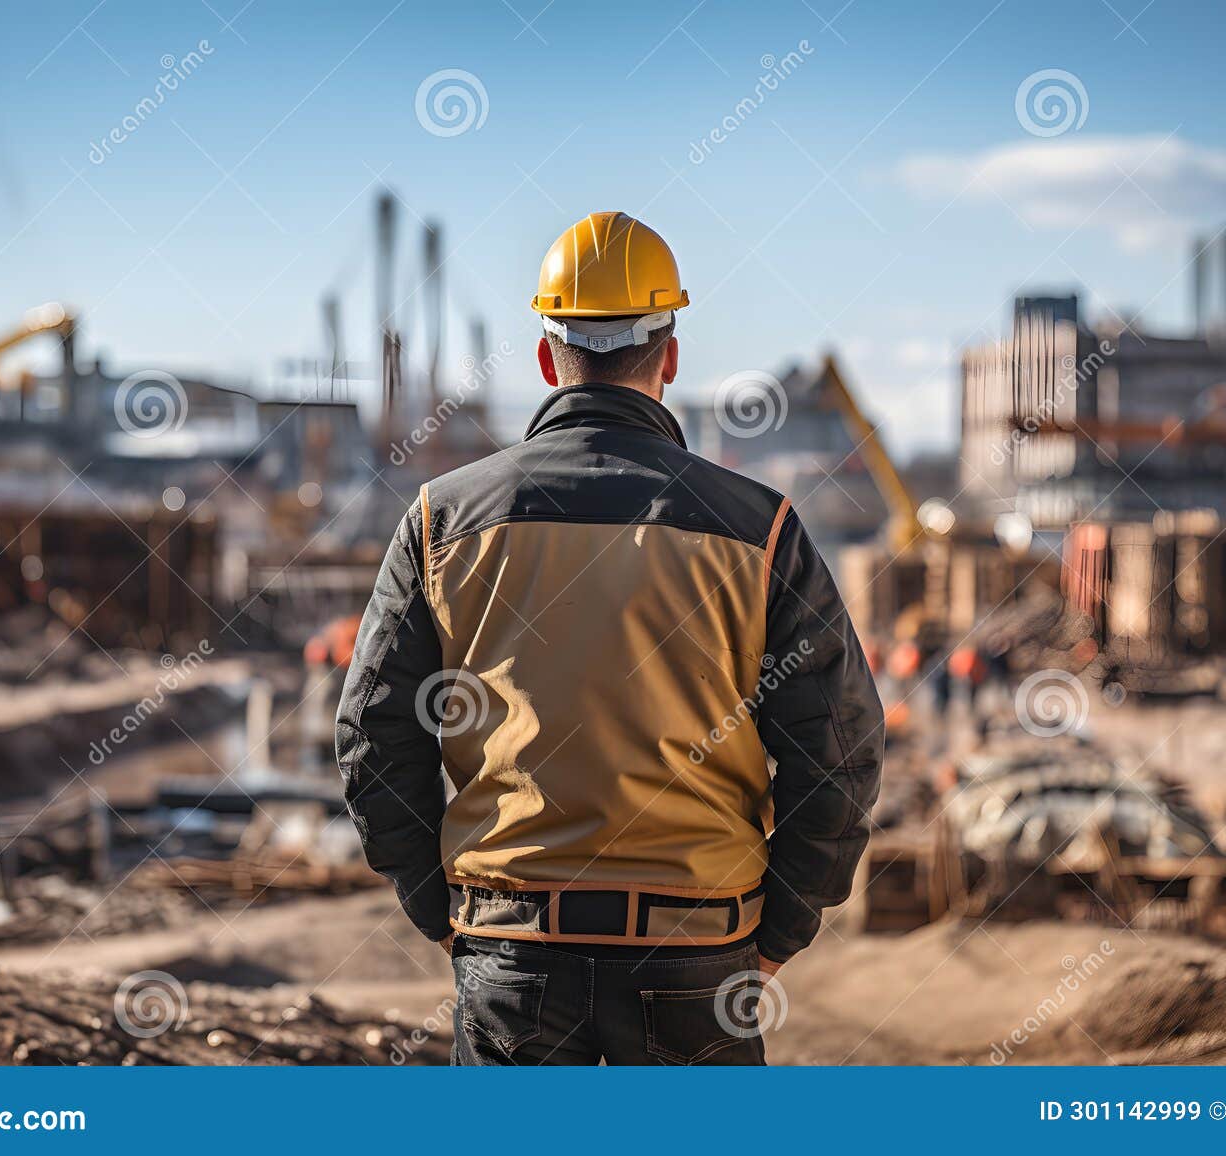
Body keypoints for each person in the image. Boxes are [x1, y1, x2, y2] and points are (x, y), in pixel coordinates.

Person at [336, 211, 883, 1065]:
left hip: (511, 951)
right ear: (670, 355)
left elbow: (372, 736)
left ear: (546, 357)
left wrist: (441, 912)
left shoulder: (442, 520)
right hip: (698, 955)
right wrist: (777, 932)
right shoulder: (760, 529)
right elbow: (840, 750)